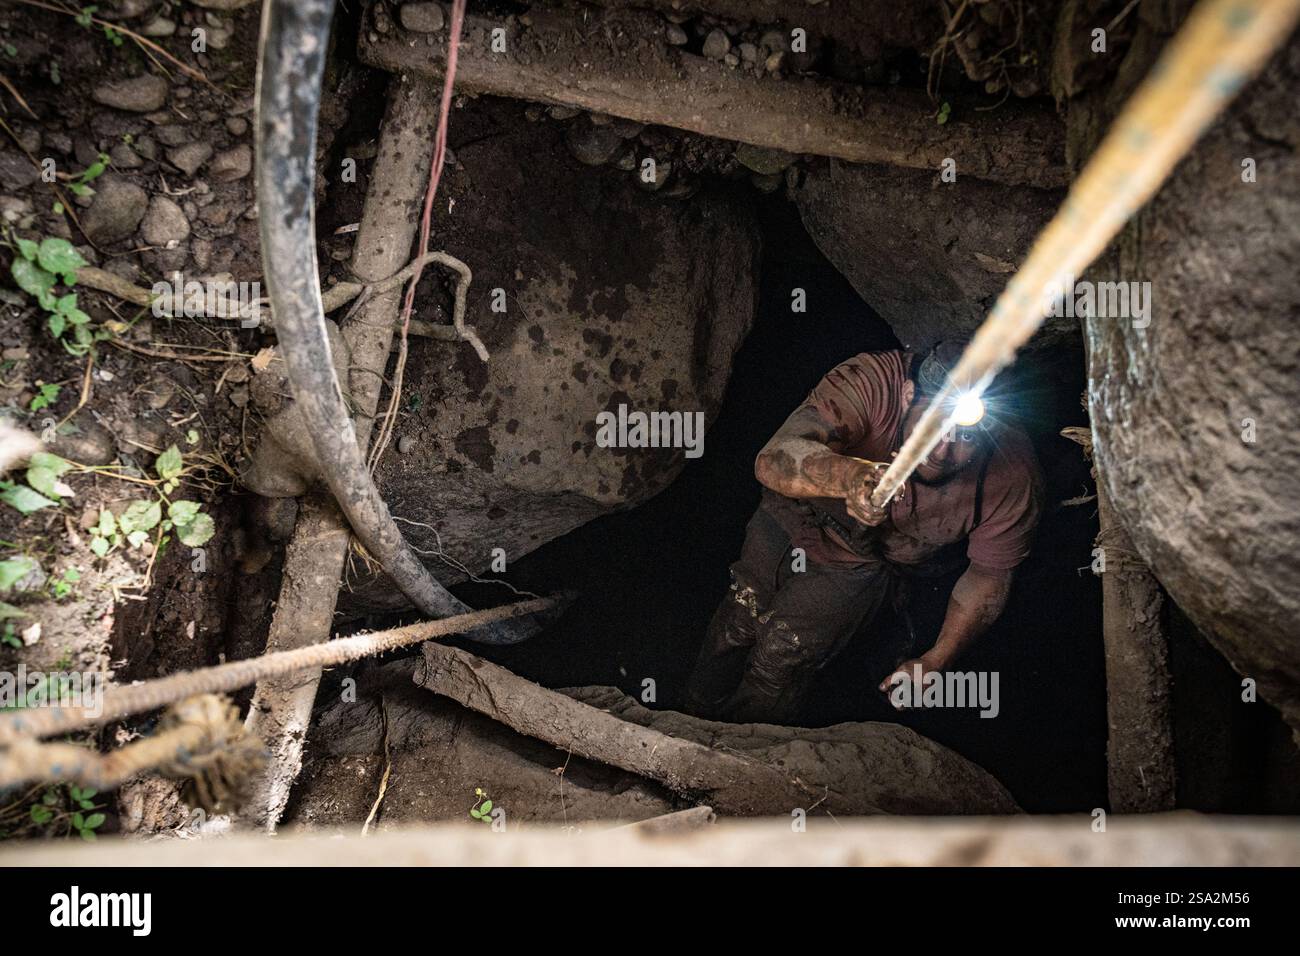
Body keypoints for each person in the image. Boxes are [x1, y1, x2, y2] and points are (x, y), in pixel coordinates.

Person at [685, 341, 1044, 724]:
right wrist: (850, 477)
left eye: (966, 438)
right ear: (909, 396)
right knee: (738, 618)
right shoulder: (872, 383)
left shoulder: (1012, 477)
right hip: (791, 514)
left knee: (780, 655)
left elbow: (988, 575)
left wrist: (936, 658)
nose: (943, 448)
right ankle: (688, 720)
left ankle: (740, 755)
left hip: (861, 563)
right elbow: (774, 457)